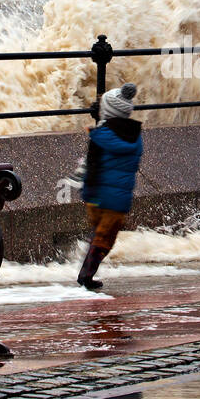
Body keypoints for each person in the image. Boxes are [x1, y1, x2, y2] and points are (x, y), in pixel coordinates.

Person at [74, 83, 143, 290]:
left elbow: (92, 165)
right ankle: (85, 276)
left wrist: (86, 191)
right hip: (119, 198)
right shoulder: (135, 137)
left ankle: (86, 274)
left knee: (98, 235)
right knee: (105, 239)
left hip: (96, 195)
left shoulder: (100, 136)